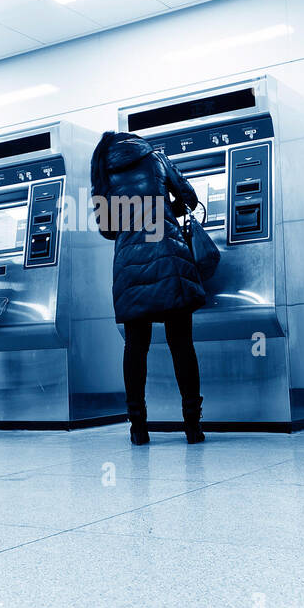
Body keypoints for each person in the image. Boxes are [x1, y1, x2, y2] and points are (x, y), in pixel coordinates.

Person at [91, 131, 206, 445]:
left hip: (130, 268)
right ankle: (193, 427)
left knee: (135, 348)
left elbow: (106, 228)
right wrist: (164, 208)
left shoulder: (102, 171)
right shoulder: (155, 157)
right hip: (170, 259)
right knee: (181, 344)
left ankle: (138, 429)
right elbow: (190, 199)